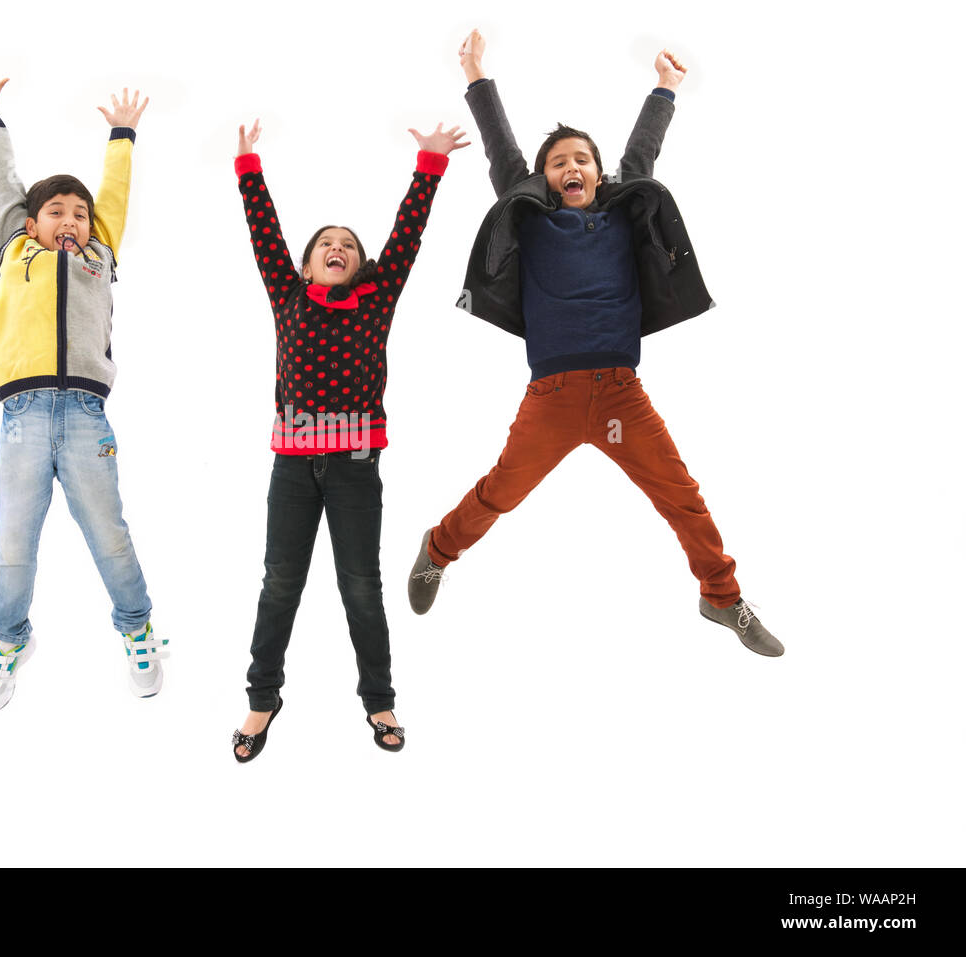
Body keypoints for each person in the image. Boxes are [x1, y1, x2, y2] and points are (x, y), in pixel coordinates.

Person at [407, 31, 783, 658]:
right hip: (551, 397)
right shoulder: (529, 213)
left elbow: (642, 154)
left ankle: (721, 595)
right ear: (544, 178)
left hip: (619, 397)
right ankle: (438, 550)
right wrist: (476, 73)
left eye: (581, 159)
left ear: (598, 173)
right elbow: (502, 150)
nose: (571, 168)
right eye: (558, 163)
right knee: (501, 489)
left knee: (681, 495)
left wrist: (664, 86)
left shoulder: (620, 210)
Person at [231, 116, 468, 761]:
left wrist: (429, 165)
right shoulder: (287, 294)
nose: (336, 248)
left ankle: (379, 698)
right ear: (306, 263)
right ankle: (262, 698)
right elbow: (264, 234)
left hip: (356, 469)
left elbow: (408, 234)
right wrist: (248, 166)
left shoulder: (377, 298)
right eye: (324, 243)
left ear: (361, 265)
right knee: (280, 582)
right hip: (292, 471)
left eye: (347, 244)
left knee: (361, 585)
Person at [0, 66, 168, 712]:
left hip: (84, 416)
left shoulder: (99, 255)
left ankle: (139, 629)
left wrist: (122, 135)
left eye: (79, 213)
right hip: (20, 415)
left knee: (110, 533)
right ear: (32, 223)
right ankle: (9, 640)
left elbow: (114, 197)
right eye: (56, 212)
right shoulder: (15, 250)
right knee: (14, 539)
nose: (70, 219)